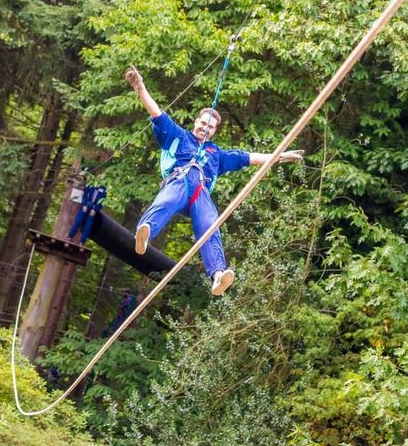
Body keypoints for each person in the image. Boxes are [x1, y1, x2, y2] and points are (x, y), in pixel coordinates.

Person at [125, 66, 303, 296]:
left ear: (214, 131)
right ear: (195, 122)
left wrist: (280, 157)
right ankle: (146, 231)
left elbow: (248, 157)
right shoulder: (178, 135)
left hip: (200, 194)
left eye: (210, 127)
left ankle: (218, 275)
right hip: (179, 184)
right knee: (167, 200)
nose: (205, 128)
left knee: (210, 226)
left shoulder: (216, 154)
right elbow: (156, 112)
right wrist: (140, 87)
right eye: (202, 123)